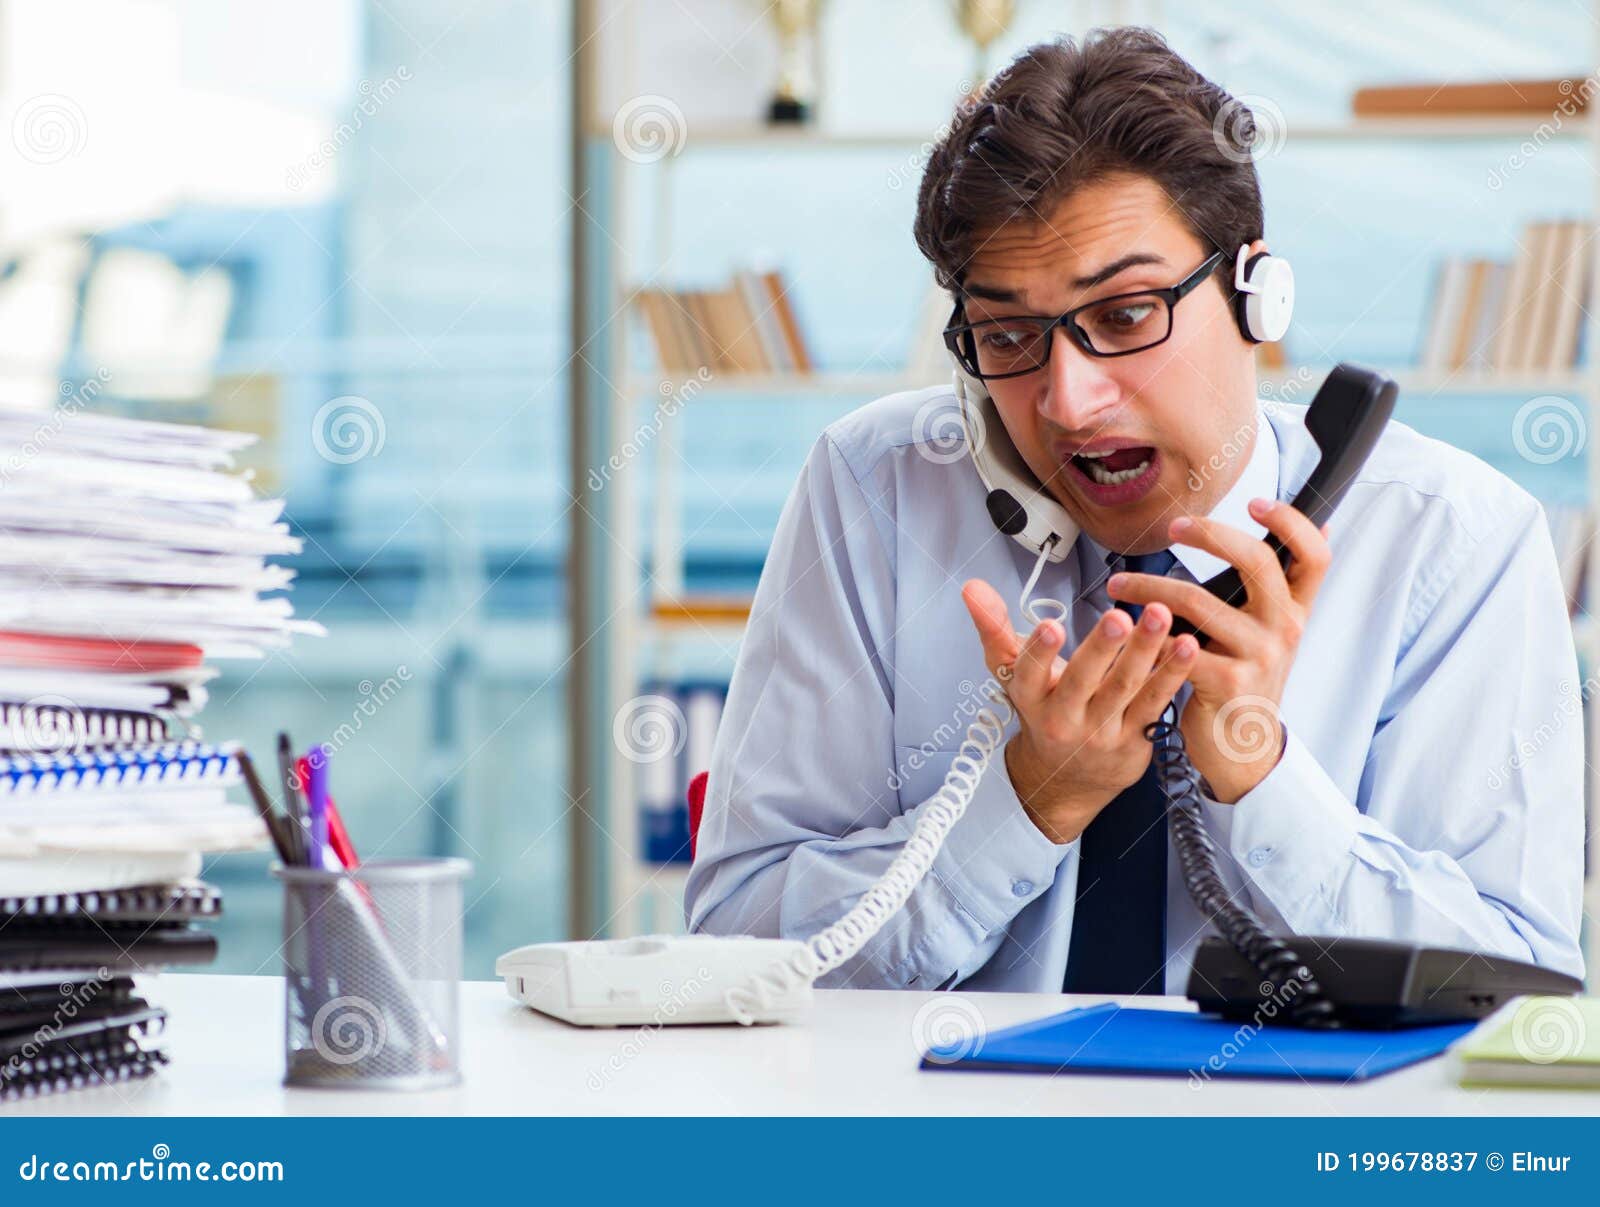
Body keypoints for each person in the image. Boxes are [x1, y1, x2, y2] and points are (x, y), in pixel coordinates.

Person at [685, 27, 1586, 993]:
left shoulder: (1454, 537)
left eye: (1124, 316)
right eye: (1008, 335)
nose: (1069, 402)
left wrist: (1260, 775)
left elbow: (1514, 991)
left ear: (1259, 294)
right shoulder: (877, 489)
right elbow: (738, 950)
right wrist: (1024, 804)